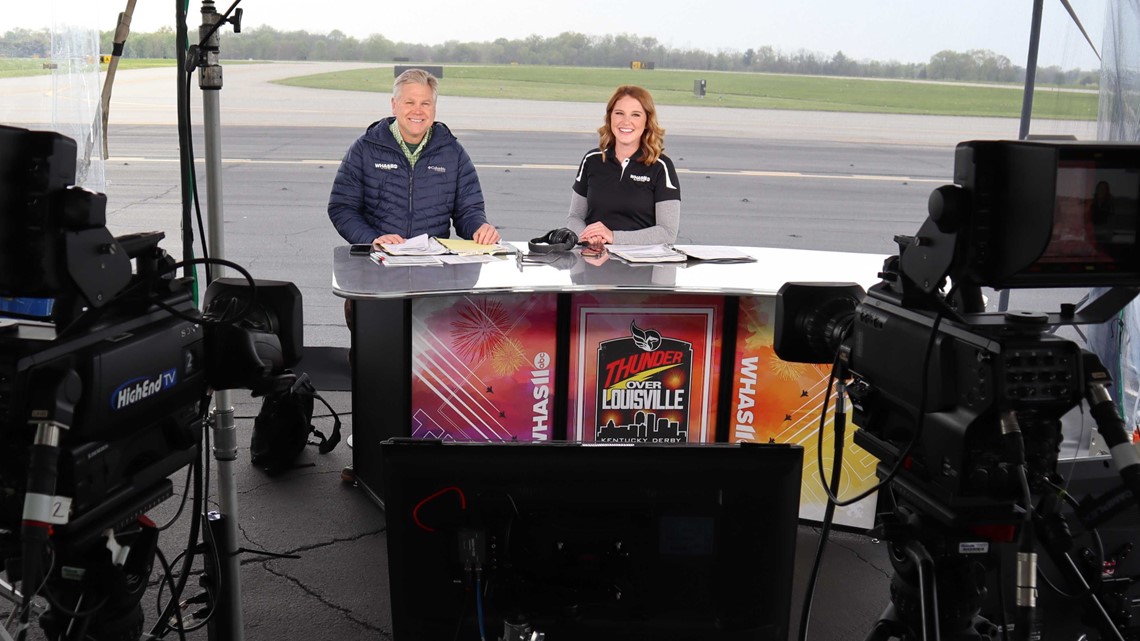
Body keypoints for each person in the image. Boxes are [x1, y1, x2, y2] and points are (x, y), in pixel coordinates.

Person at [328, 68, 500, 246]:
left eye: (425, 103)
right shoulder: (364, 149)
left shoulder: (453, 153)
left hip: (432, 265)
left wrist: (480, 228)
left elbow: (469, 211)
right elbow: (342, 208)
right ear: (394, 105)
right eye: (410, 102)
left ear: (434, 108)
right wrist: (372, 239)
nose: (418, 111)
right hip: (378, 261)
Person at [566, 85, 681, 249]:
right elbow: (575, 217)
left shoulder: (661, 167)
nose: (626, 122)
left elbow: (668, 233)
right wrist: (587, 237)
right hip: (593, 263)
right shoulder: (591, 160)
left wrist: (613, 237)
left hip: (641, 268)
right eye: (619, 113)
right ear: (610, 117)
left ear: (647, 121)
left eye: (636, 115)